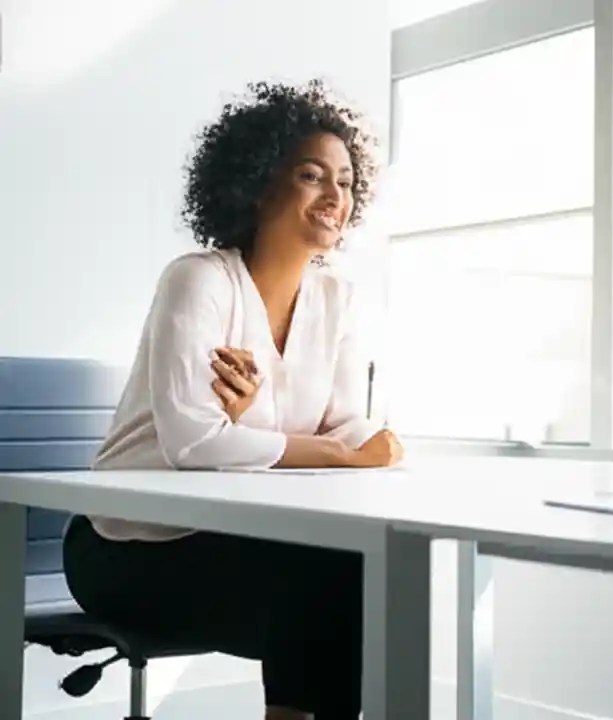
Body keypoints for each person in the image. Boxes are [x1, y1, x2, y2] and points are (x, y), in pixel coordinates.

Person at [62, 79, 404, 720]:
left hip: (233, 535)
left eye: (347, 182)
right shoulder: (198, 280)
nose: (336, 197)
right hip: (126, 546)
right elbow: (195, 443)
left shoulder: (338, 299)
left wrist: (358, 444)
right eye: (311, 176)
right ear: (259, 181)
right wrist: (334, 453)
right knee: (329, 582)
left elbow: (346, 423)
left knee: (363, 578)